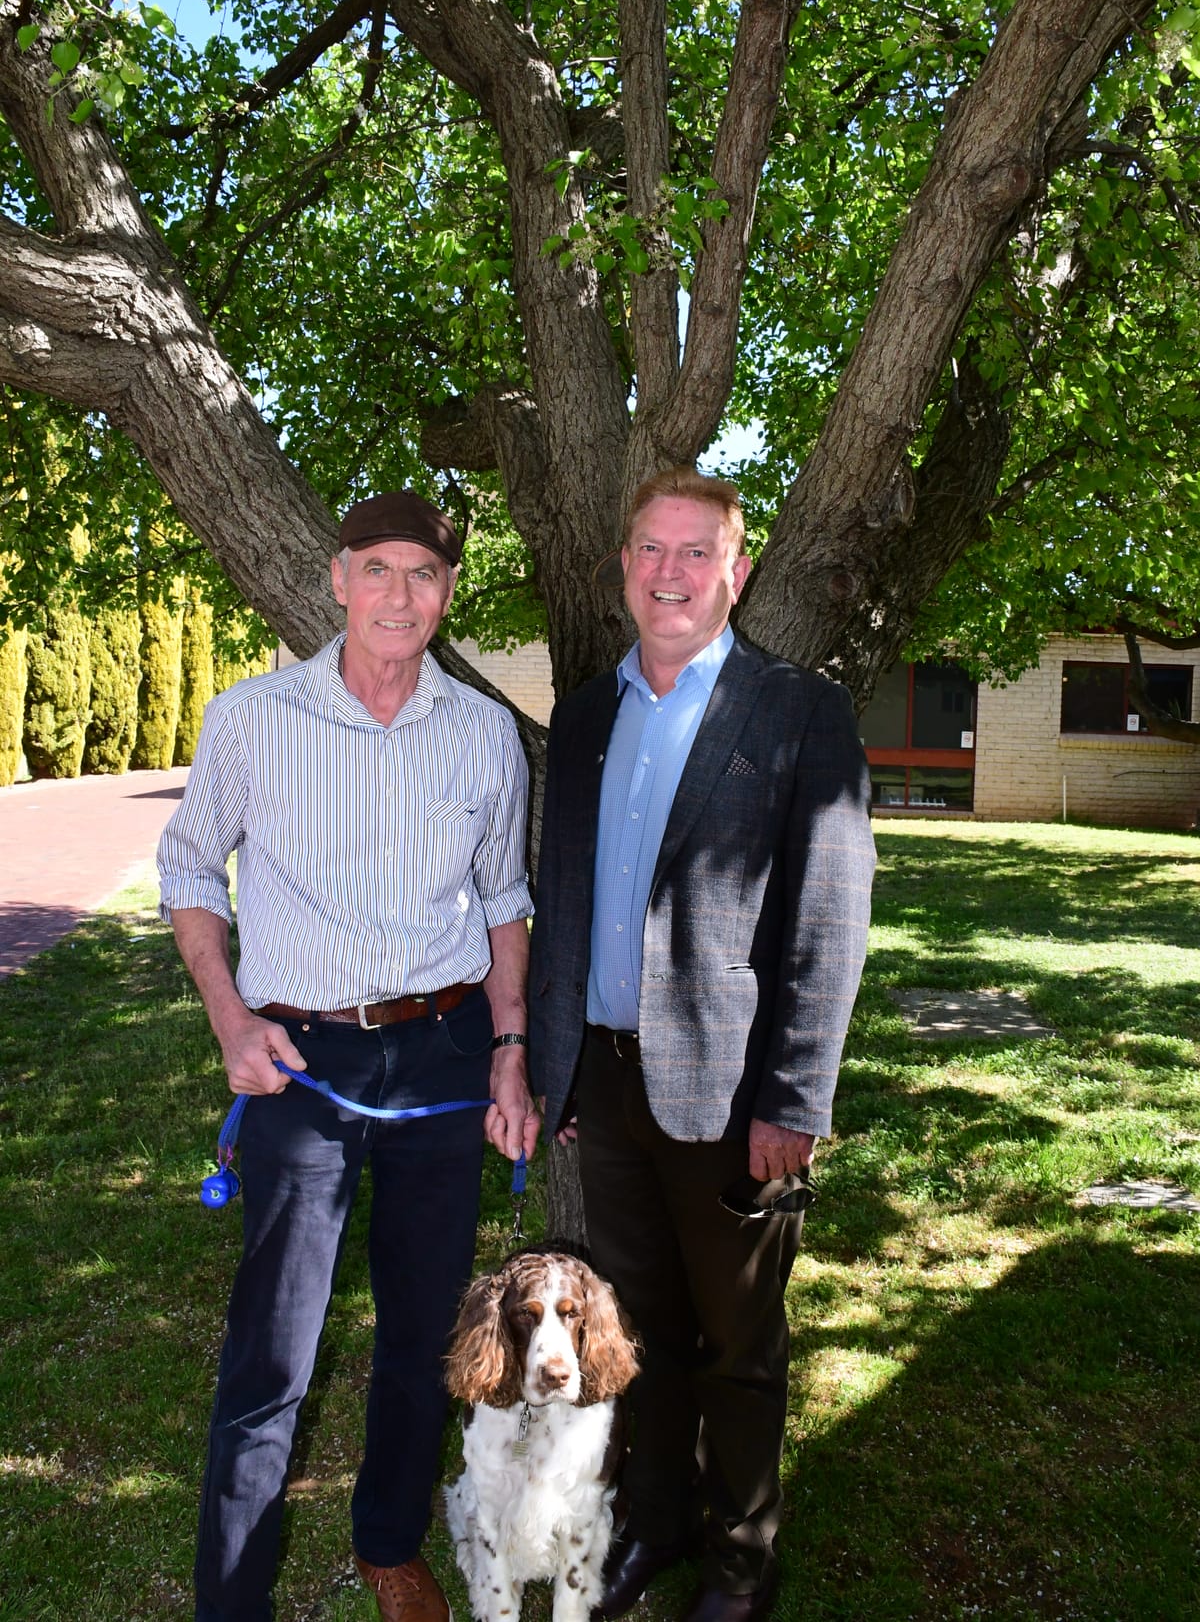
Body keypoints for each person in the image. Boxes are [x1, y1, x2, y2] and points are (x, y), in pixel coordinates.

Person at [158, 491, 540, 1622]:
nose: (399, 595)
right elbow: (189, 871)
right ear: (336, 580)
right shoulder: (251, 717)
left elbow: (506, 899)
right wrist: (232, 1020)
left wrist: (509, 1052)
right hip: (300, 1065)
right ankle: (232, 1597)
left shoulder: (483, 731)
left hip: (442, 1061)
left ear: (448, 594)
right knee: (273, 1351)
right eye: (378, 569)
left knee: (428, 1331)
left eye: (423, 574)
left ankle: (388, 1542)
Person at [528, 467, 875, 1622]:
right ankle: (658, 1525)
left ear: (738, 569)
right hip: (613, 1084)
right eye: (650, 551)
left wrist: (796, 1098)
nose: (670, 574)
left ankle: (741, 1565)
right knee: (637, 1336)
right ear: (622, 565)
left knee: (738, 1347)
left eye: (697, 553)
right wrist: (559, 1064)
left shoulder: (799, 713)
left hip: (733, 1097)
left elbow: (829, 920)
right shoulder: (586, 714)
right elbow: (564, 896)